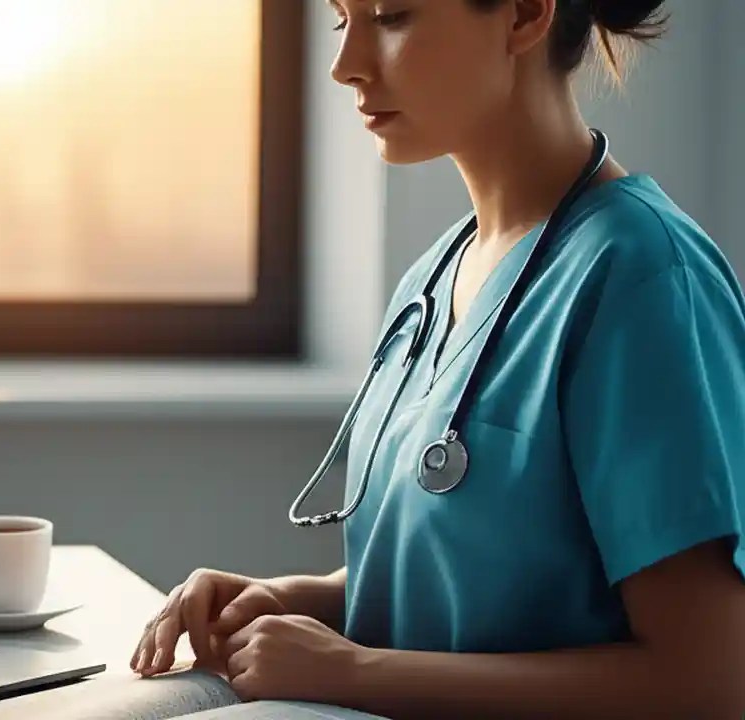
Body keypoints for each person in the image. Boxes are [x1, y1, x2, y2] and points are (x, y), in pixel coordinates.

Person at [130, 0, 745, 717]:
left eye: (390, 16)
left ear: (523, 14)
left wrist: (354, 672)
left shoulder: (642, 277)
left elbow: (710, 679)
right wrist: (294, 599)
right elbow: (473, 581)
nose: (345, 65)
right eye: (342, 21)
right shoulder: (434, 277)